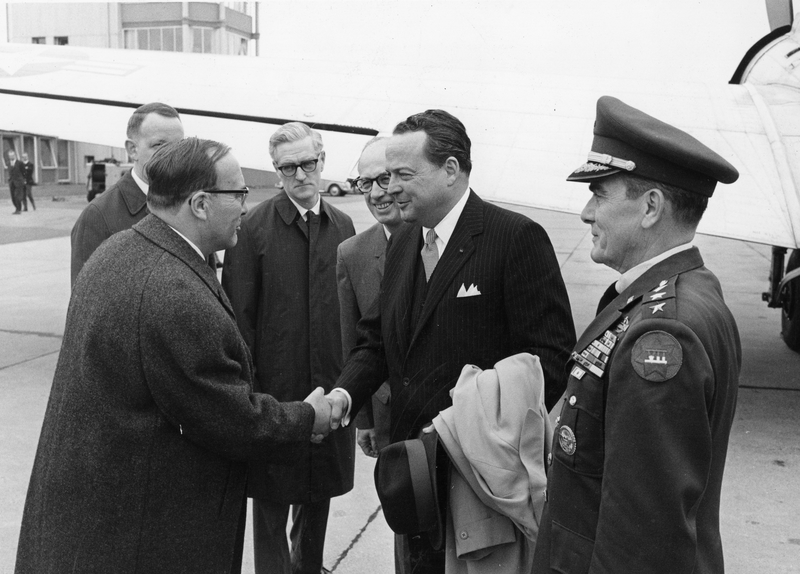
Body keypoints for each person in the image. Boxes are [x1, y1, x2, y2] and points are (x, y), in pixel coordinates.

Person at [15, 137, 332, 574]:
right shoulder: (175, 293)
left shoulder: (122, 248)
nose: (245, 206)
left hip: (97, 526)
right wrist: (308, 417)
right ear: (200, 204)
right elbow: (231, 419)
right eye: (237, 194)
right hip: (143, 538)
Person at [327, 109, 576, 573]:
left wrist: (475, 430)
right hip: (414, 474)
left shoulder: (514, 239)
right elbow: (376, 341)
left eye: (403, 174)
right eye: (386, 175)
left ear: (450, 169)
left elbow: (552, 361)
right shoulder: (404, 242)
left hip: (478, 478)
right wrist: (345, 393)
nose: (391, 186)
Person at [531, 96, 742, 574]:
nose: (586, 213)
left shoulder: (662, 331)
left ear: (650, 207)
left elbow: (643, 537)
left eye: (600, 194)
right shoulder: (677, 292)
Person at [222, 122, 356, 574]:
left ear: (322, 160)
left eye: (308, 164)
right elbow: (238, 325)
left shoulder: (344, 225)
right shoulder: (253, 229)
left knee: (317, 499)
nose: (301, 175)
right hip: (274, 398)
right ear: (276, 171)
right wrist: (250, 400)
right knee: (271, 508)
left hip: (329, 387)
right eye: (288, 168)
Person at [337, 137, 403, 458]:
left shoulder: (441, 243)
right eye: (365, 182)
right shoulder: (352, 252)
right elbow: (354, 343)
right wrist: (363, 419)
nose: (376, 193)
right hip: (386, 418)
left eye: (385, 179)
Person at [70, 101, 184, 285]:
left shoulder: (192, 205)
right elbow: (87, 306)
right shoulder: (98, 217)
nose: (173, 155)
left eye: (179, 146)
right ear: (133, 150)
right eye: (159, 145)